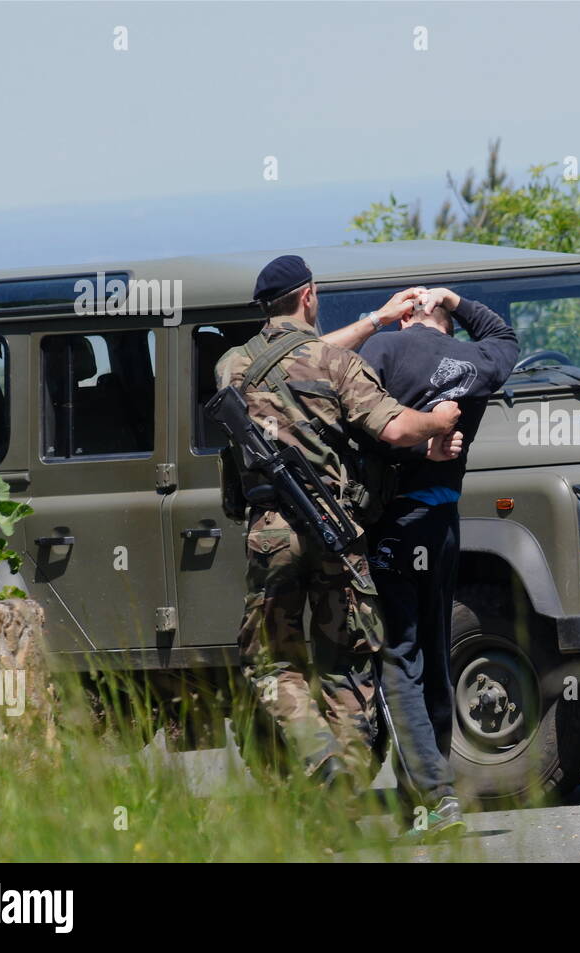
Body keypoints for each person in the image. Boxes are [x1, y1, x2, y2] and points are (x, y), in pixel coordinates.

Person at [215, 255, 461, 802]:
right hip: (335, 533)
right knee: (347, 667)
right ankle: (341, 785)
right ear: (310, 297)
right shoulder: (335, 365)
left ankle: (317, 755)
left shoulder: (231, 365)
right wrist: (438, 423)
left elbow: (292, 356)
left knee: (272, 661)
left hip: (271, 534)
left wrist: (375, 319)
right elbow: (396, 428)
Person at [352, 285, 519, 841]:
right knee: (434, 661)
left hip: (395, 524)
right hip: (445, 525)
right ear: (446, 321)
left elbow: (345, 418)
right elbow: (504, 336)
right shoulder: (475, 360)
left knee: (399, 662)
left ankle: (436, 796)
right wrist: (458, 300)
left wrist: (380, 320)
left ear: (406, 319)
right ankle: (422, 802)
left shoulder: (385, 353)